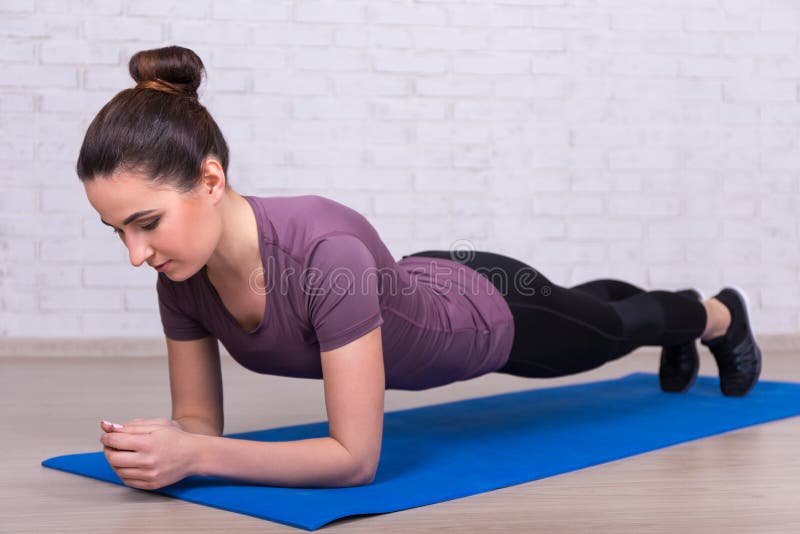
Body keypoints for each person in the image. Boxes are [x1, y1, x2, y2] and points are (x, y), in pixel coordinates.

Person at [78, 46, 761, 492]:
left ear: (210, 178)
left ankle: (720, 315)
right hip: (428, 281)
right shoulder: (182, 272)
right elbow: (198, 423)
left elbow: (354, 458)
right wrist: (167, 446)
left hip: (489, 314)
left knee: (610, 329)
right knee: (590, 307)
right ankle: (676, 319)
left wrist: (197, 457)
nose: (137, 254)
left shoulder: (323, 253)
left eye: (146, 224)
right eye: (118, 233)